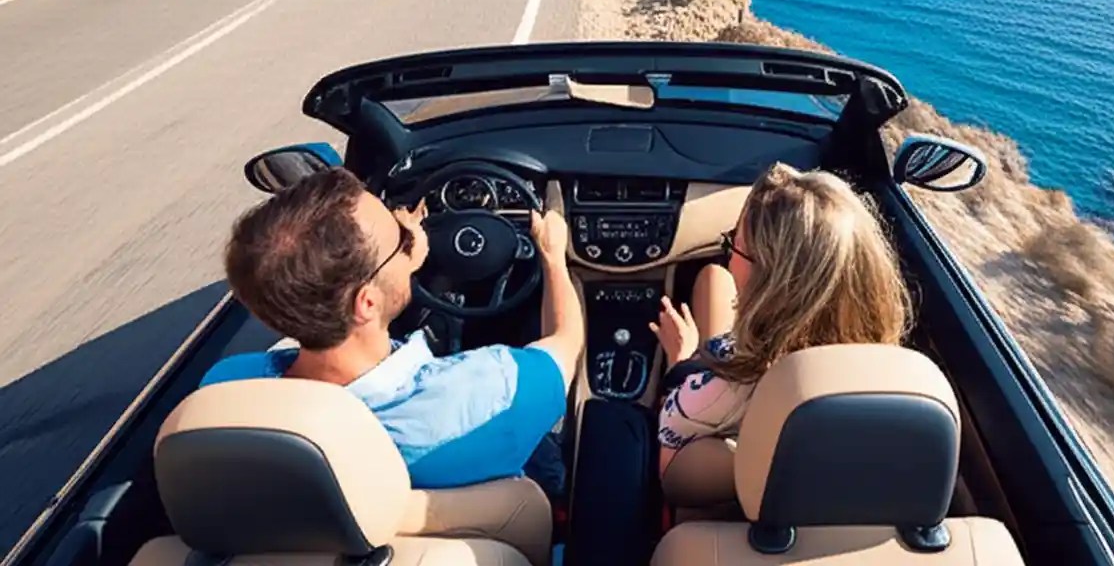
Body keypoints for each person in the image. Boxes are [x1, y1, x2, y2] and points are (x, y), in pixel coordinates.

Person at [200, 167, 584, 493]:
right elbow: (566, 342)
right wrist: (552, 256)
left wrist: (399, 261)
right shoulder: (491, 391)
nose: (408, 231)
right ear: (365, 303)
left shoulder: (225, 389)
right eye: (400, 238)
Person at [650, 162, 912, 476]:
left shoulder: (731, 388)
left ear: (771, 284)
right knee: (715, 278)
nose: (729, 254)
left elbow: (670, 427)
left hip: (718, 483)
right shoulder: (891, 371)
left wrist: (682, 358)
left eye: (735, 243)